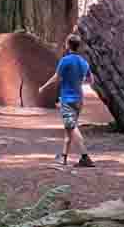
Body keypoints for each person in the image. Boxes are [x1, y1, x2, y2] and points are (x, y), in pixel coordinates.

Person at [40, 37, 95, 169]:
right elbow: (91, 80)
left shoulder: (65, 61)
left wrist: (43, 87)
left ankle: (85, 156)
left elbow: (57, 77)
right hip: (79, 99)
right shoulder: (83, 62)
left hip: (67, 99)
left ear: (68, 45)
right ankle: (63, 157)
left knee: (72, 126)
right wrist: (79, 82)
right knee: (69, 130)